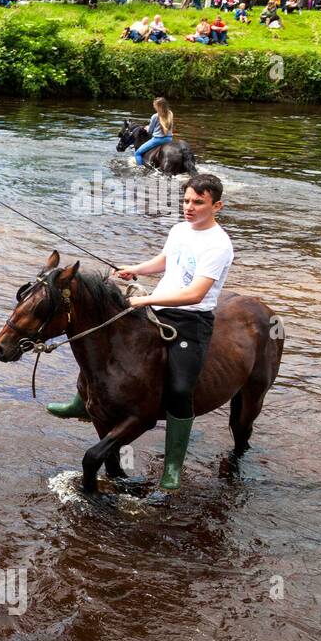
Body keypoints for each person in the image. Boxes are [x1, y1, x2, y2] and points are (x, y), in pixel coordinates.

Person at [108, 175, 232, 490]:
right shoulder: (179, 229)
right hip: (157, 309)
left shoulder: (219, 244)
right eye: (187, 200)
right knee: (109, 343)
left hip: (191, 320)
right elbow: (166, 261)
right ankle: (82, 401)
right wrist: (135, 269)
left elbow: (195, 294)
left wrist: (145, 298)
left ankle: (173, 467)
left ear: (216, 205)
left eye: (198, 202)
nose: (189, 207)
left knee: (179, 388)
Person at [135, 96, 175, 166]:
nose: (154, 107)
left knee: (137, 153)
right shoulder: (170, 113)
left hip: (158, 139)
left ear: (158, 106)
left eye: (154, 105)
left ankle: (140, 169)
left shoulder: (155, 116)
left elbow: (150, 131)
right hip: (169, 139)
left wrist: (147, 128)